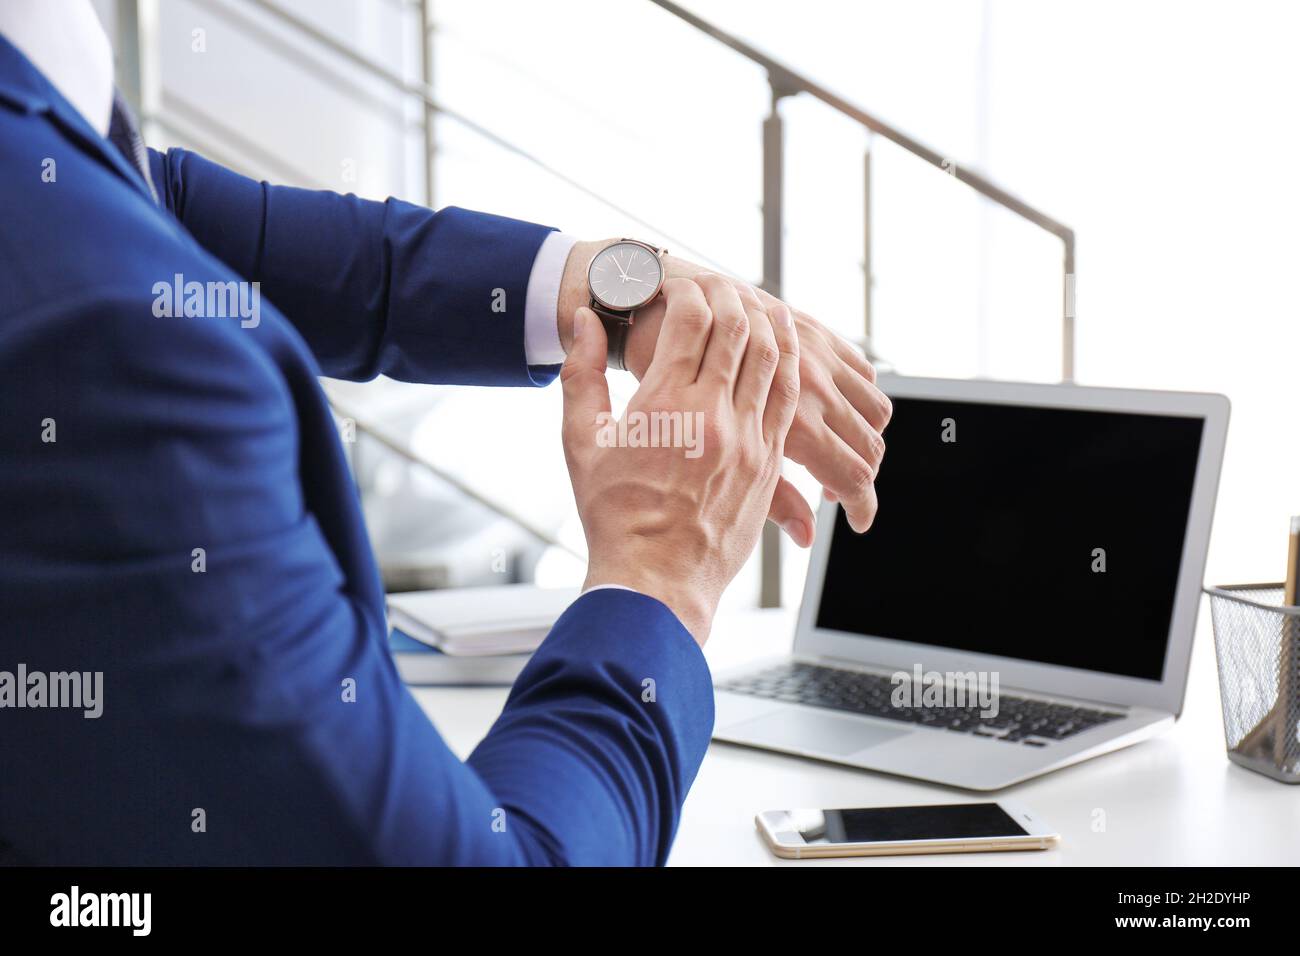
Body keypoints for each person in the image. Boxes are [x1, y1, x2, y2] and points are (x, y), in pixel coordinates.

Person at [0, 2, 889, 864]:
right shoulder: (106, 350)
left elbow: (184, 211)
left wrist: (617, 295)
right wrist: (658, 576)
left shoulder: (38, 109)